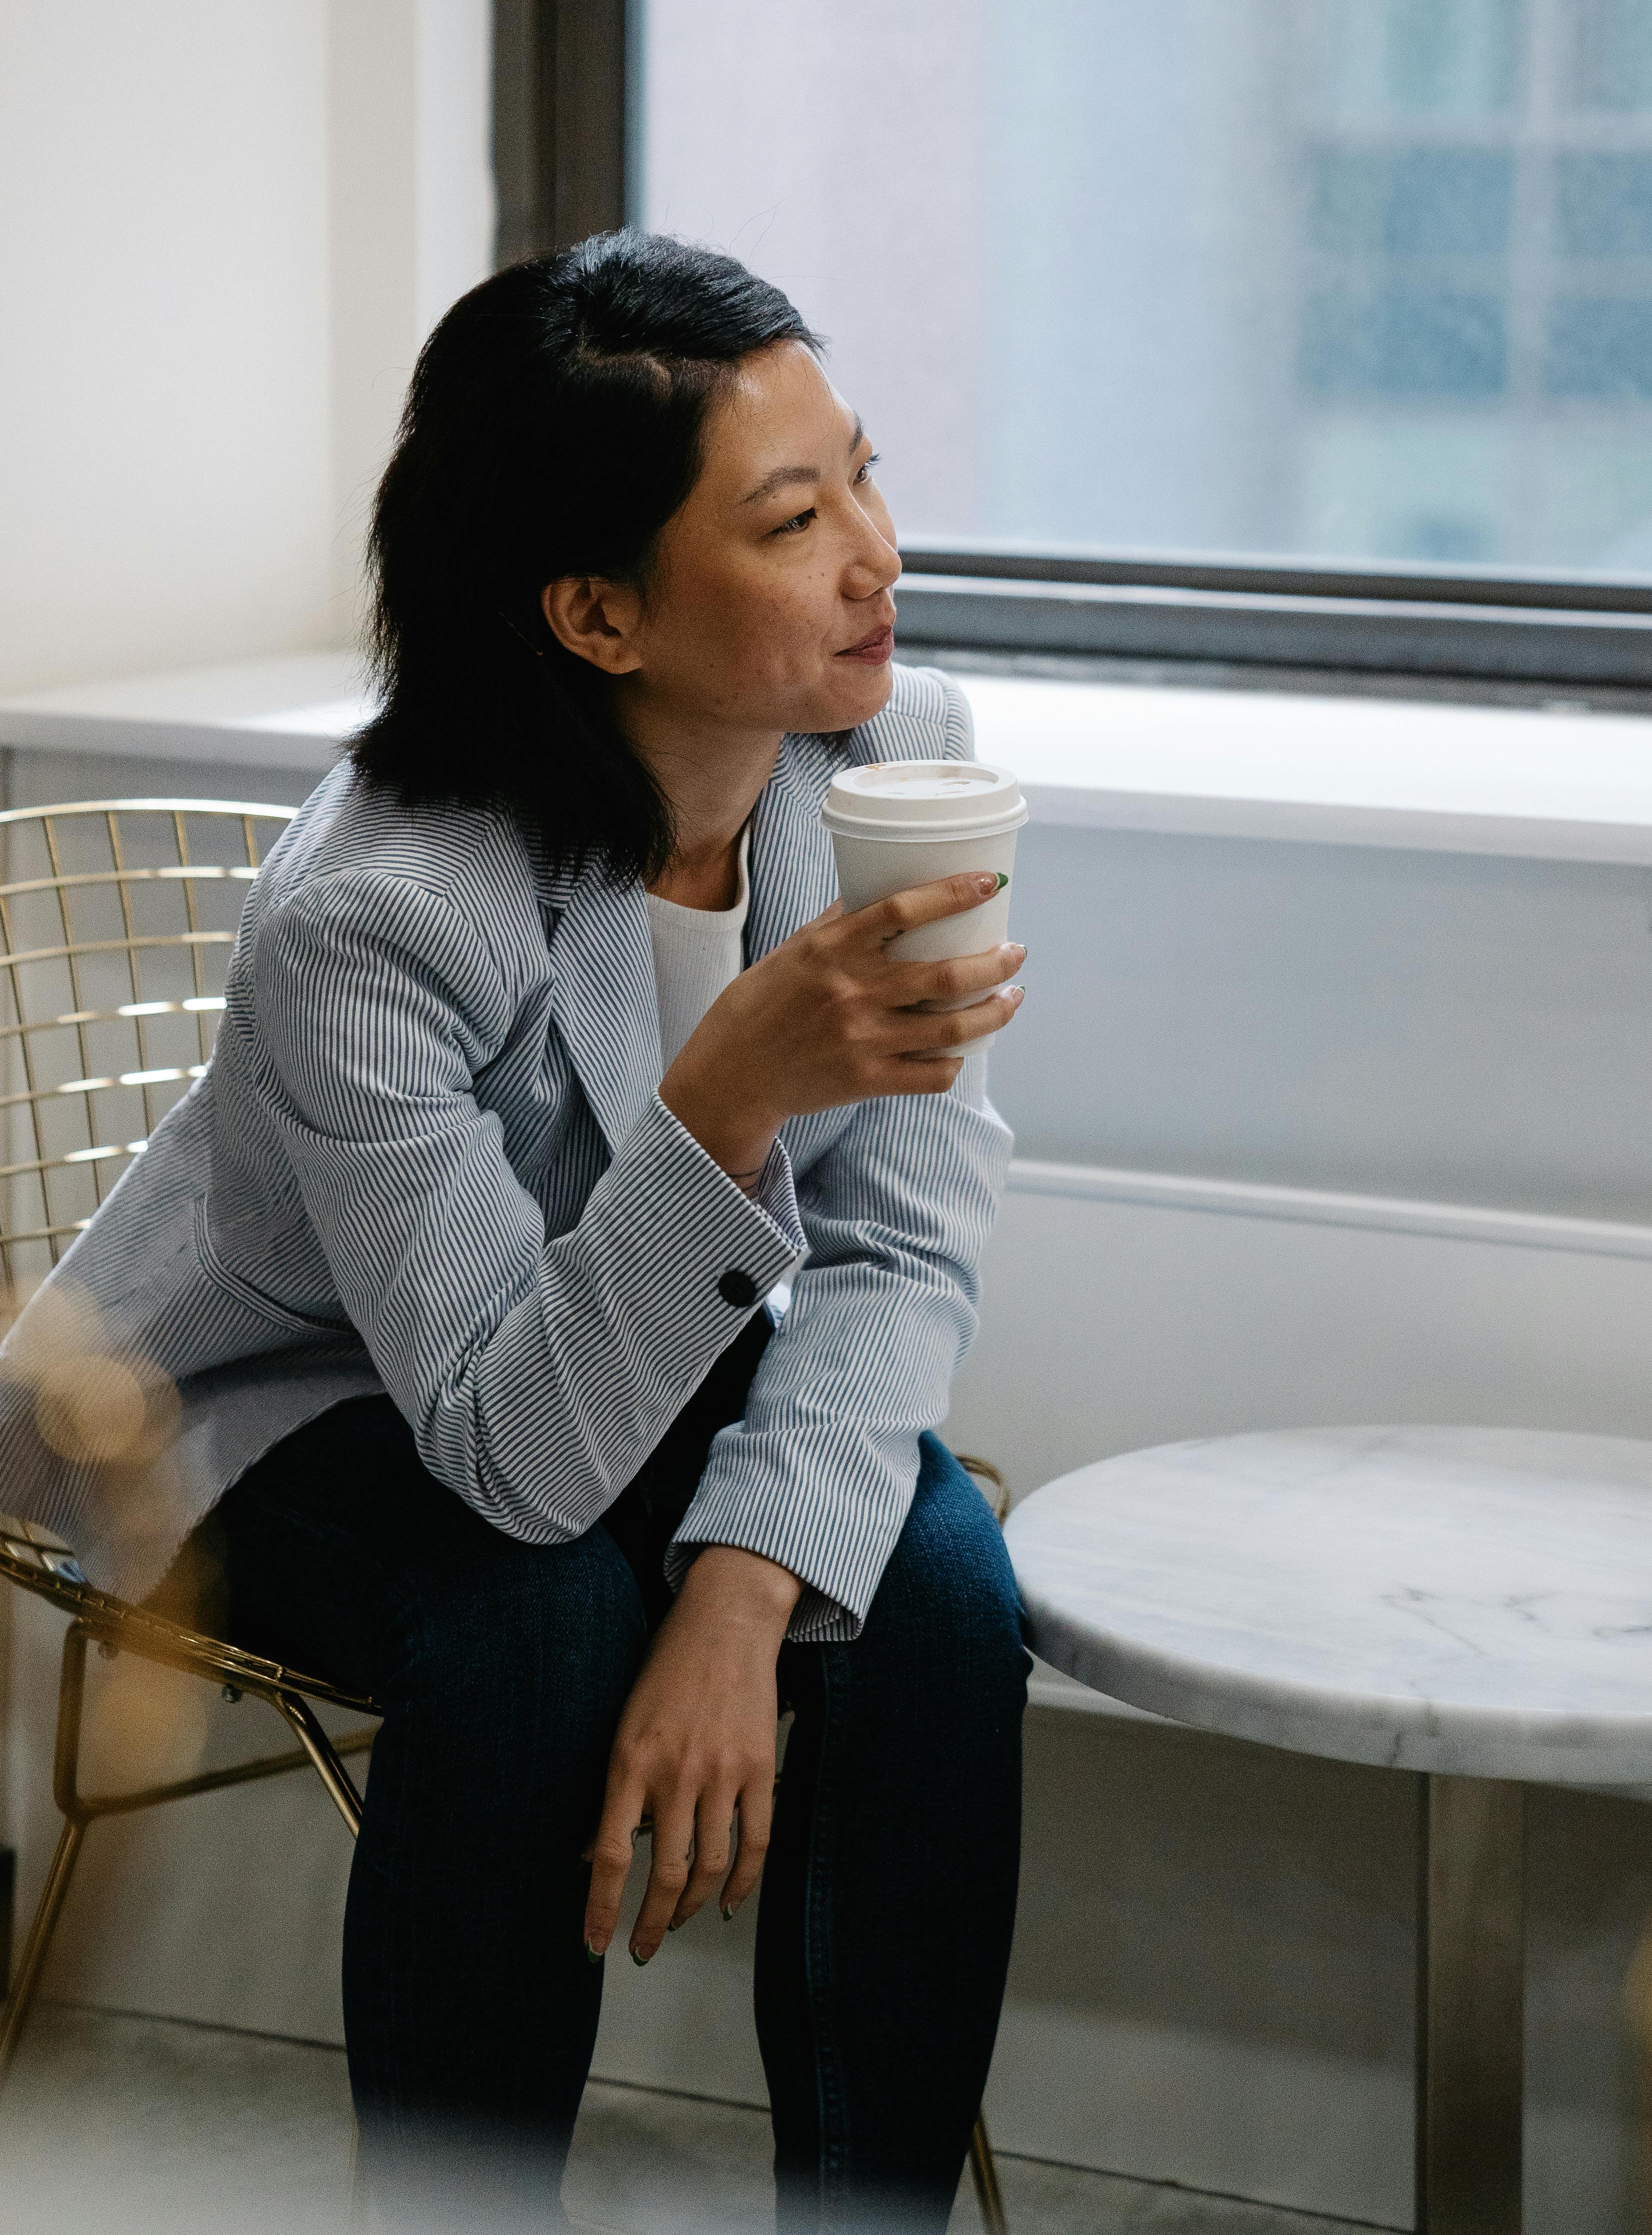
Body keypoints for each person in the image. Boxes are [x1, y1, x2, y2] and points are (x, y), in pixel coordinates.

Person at [0, 232, 1031, 2227]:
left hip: (606, 1330)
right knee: (538, 1617)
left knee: (932, 1583)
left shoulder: (896, 768)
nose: (876, 558)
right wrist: (731, 1084)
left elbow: (902, 1247)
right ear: (593, 611)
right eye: (793, 518)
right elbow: (511, 1453)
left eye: (867, 478)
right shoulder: (377, 913)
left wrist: (741, 1592)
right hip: (266, 1392)